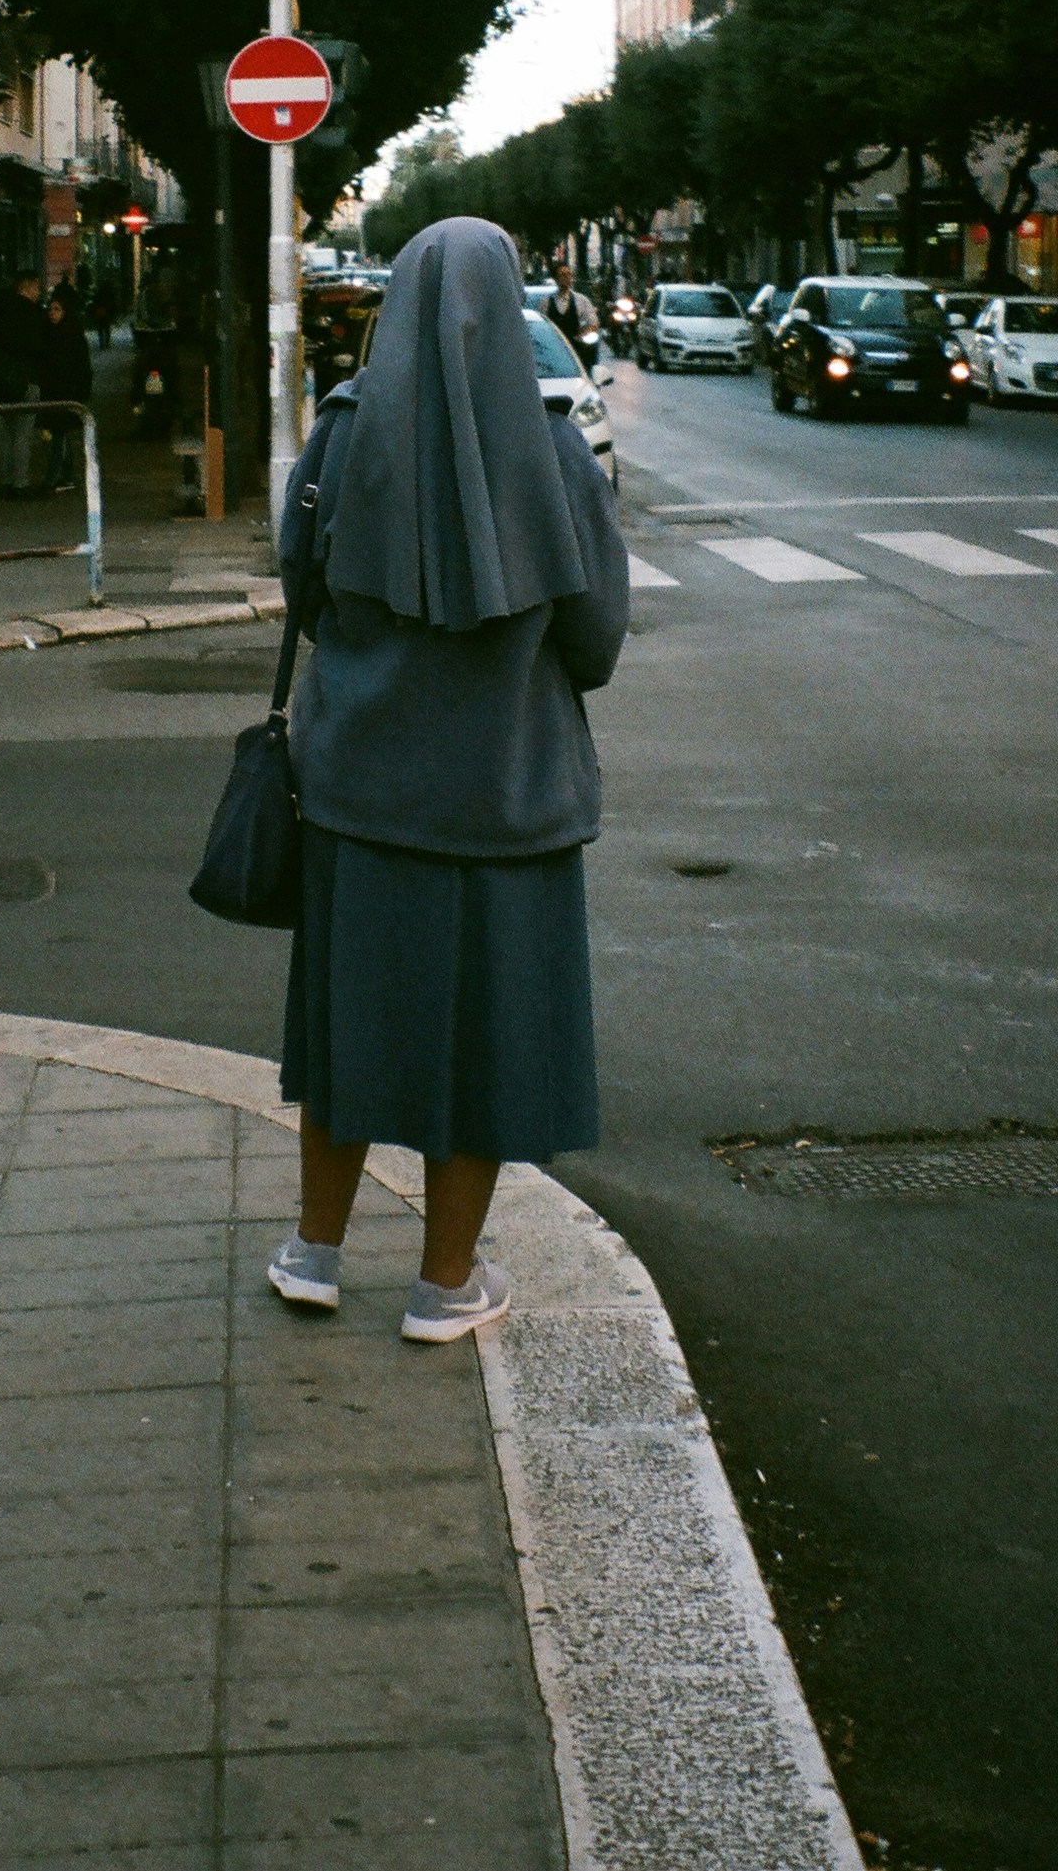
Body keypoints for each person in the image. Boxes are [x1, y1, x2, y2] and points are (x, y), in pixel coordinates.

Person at [265, 216, 629, 1342]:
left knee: (346, 1029)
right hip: (507, 800)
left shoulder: (340, 433)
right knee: (483, 1046)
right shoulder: (556, 451)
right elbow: (598, 642)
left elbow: (303, 592)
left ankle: (314, 1252)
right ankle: (443, 1283)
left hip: (359, 794)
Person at [0, 271, 47, 496]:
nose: (39, 292)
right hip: (26, 377)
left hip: (3, 378)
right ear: (27, 287)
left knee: (9, 431)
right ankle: (20, 482)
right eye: (36, 288)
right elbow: (37, 346)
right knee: (23, 432)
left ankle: (7, 479)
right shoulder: (31, 313)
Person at [35, 284, 94, 494]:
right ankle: (67, 476)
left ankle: (52, 478)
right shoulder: (50, 334)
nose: (52, 313)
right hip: (54, 391)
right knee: (60, 433)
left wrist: (79, 392)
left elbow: (82, 368)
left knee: (59, 434)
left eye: (57, 309)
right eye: (51, 309)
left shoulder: (72, 336)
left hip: (67, 391)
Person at [542, 258, 600, 373]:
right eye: (563, 275)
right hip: (552, 352)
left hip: (576, 353)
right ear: (556, 279)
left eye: (569, 274)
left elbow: (593, 324)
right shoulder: (546, 303)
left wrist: (580, 337)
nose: (567, 277)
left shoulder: (581, 301)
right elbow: (543, 325)